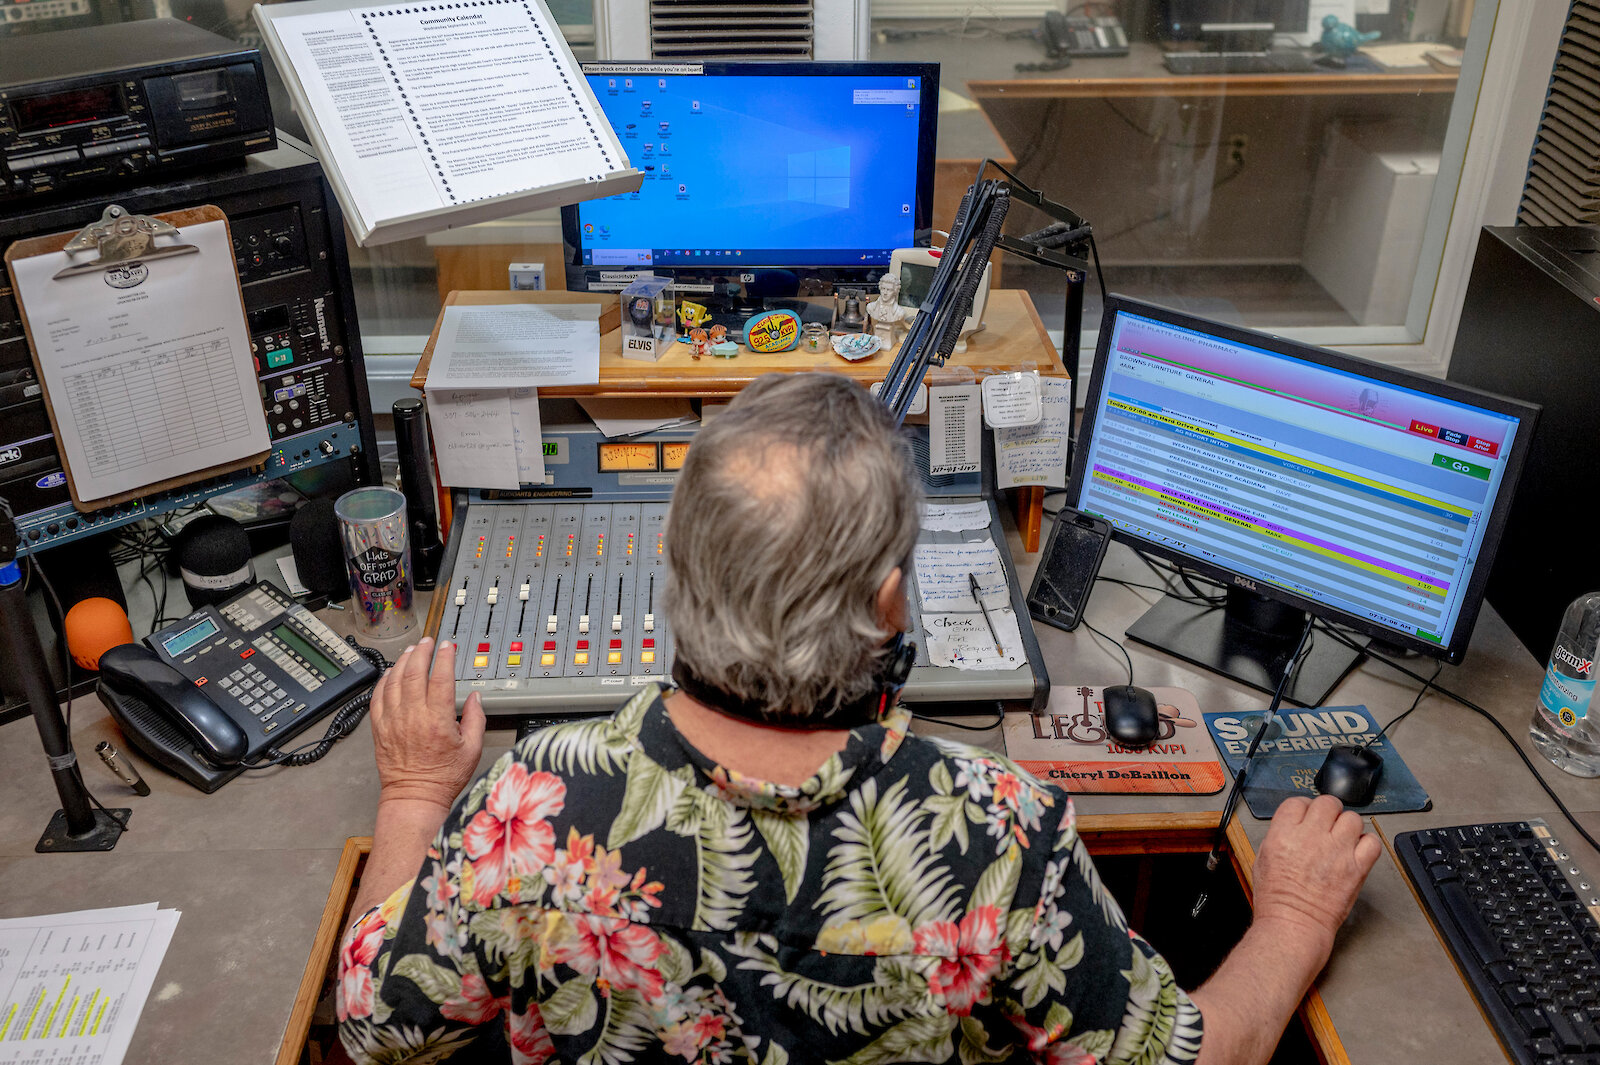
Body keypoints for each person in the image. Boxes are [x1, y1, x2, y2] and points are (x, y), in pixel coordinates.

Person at [337, 373, 1381, 1065]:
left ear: (673, 567)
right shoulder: (1002, 831)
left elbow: (377, 1030)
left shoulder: (531, 804)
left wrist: (416, 794)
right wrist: (1292, 915)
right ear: (889, 604)